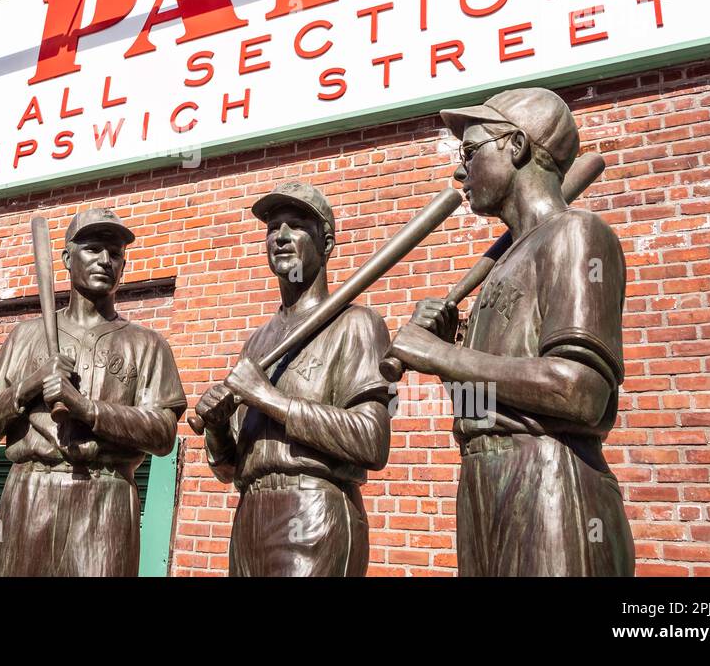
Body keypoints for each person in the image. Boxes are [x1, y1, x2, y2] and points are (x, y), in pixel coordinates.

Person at [385, 88, 634, 576]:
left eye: (471, 152)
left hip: (550, 487)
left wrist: (438, 356)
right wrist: (451, 347)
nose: (460, 171)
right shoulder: (504, 266)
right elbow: (483, 405)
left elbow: (579, 391)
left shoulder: (576, 234)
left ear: (516, 146)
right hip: (484, 485)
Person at [0, 208, 184, 576]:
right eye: (93, 248)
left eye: (115, 254)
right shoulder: (26, 335)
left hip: (105, 497)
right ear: (67, 259)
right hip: (30, 493)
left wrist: (87, 409)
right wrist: (28, 385)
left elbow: (162, 435)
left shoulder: (147, 344)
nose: (105, 260)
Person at [195, 182, 391, 576]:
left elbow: (372, 441)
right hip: (250, 512)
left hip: (313, 510)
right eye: (273, 227)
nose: (281, 236)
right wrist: (217, 429)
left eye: (297, 225)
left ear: (327, 243)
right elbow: (229, 470)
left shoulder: (355, 324)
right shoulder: (258, 342)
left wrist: (268, 398)